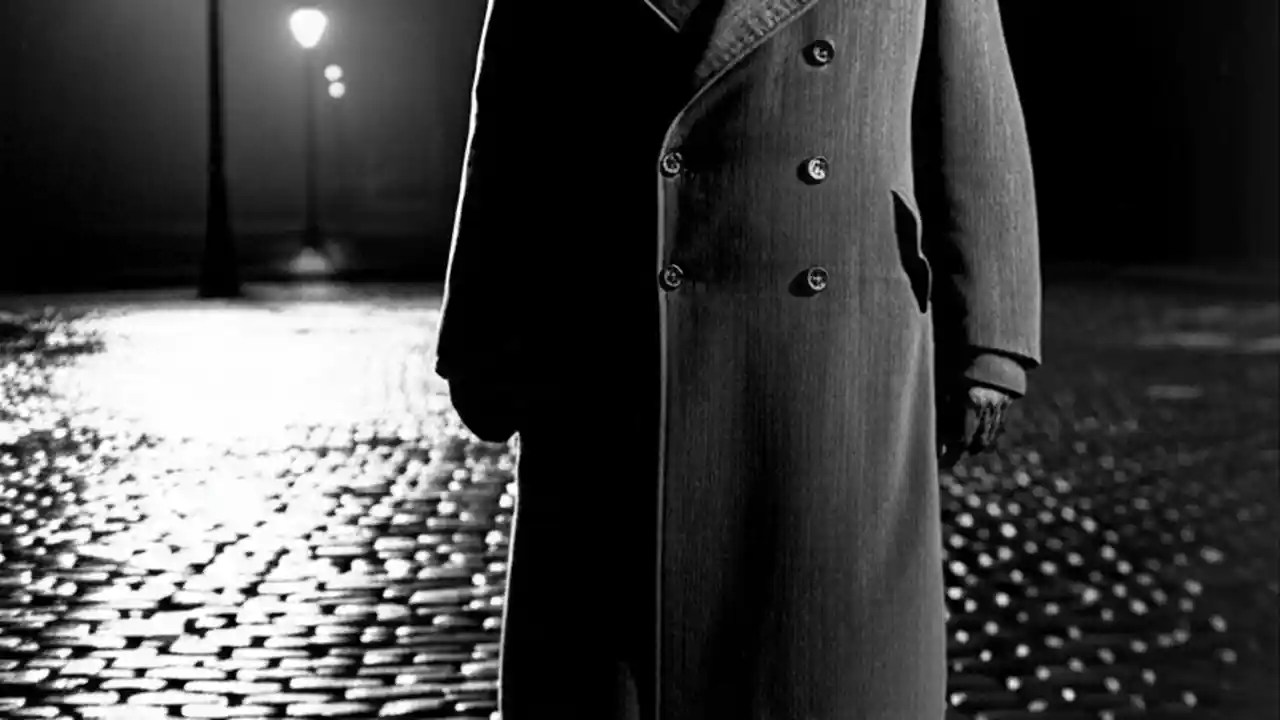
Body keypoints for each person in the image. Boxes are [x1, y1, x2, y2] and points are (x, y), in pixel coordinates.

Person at [433, 0, 1041, 718]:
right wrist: (482, 325)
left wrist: (989, 334)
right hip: (606, 340)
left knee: (822, 660)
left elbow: (973, 96)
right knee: (602, 660)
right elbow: (512, 110)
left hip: (835, 349)